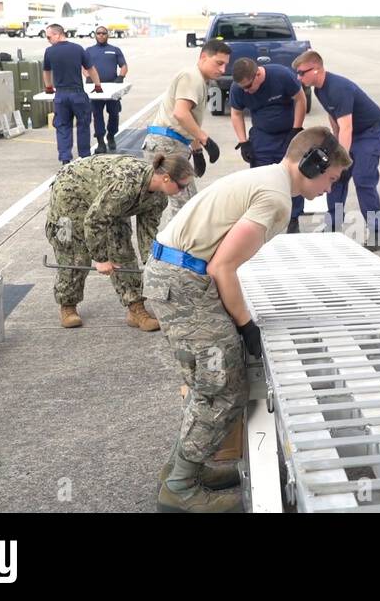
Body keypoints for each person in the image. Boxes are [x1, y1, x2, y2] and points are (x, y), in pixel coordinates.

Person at [145, 127, 351, 513]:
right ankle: (180, 488)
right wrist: (246, 326)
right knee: (222, 385)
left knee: (209, 383)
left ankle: (184, 468)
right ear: (312, 164)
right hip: (184, 282)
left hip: (178, 276)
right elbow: (223, 266)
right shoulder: (276, 197)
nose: (329, 188)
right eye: (331, 178)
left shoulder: (267, 179)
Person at [44, 153, 194, 331]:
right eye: (182, 186)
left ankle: (136, 309)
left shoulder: (158, 197)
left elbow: (148, 232)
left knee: (121, 248)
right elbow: (94, 220)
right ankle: (67, 306)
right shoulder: (125, 185)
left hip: (106, 200)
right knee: (74, 254)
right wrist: (101, 259)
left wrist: (152, 263)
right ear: (166, 178)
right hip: (71, 192)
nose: (184, 191)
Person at [292, 51, 380, 248]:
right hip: (349, 131)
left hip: (369, 132)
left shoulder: (338, 88)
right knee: (333, 177)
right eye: (297, 74)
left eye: (302, 73)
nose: (299, 77)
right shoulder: (319, 89)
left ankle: (377, 232)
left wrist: (340, 159)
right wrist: (334, 148)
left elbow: (347, 127)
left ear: (316, 69)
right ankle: (333, 226)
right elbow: (334, 119)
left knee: (363, 179)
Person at [142, 39, 229, 226]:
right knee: (186, 205)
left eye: (225, 65)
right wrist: (205, 139)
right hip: (167, 144)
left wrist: (197, 151)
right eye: (219, 63)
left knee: (161, 204)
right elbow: (180, 113)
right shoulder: (192, 77)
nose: (223, 70)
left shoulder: (199, 80)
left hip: (169, 143)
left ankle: (162, 246)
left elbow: (189, 120)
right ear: (203, 57)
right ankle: (175, 248)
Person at [230, 57, 307, 233]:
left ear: (258, 74)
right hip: (262, 137)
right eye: (243, 88)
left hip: (288, 134)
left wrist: (296, 129)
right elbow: (236, 113)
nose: (247, 91)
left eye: (249, 86)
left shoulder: (282, 75)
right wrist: (243, 142)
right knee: (262, 179)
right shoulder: (239, 88)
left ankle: (293, 219)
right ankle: (265, 218)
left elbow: (300, 99)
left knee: (293, 176)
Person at [43, 23, 103, 165]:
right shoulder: (77, 49)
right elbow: (91, 69)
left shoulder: (49, 52)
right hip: (77, 94)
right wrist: (98, 85)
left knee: (63, 126)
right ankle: (84, 156)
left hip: (61, 95)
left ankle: (65, 159)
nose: (48, 40)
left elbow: (46, 71)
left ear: (58, 34)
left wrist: (49, 87)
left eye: (49, 37)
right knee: (83, 125)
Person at [85, 25, 127, 154]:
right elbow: (83, 67)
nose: (101, 35)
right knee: (97, 115)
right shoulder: (89, 50)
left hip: (112, 89)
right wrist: (88, 77)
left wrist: (121, 77)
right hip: (96, 89)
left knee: (114, 113)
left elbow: (124, 66)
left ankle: (111, 135)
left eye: (104, 33)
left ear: (107, 35)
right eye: (99, 33)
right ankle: (101, 142)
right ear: (95, 35)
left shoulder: (115, 50)